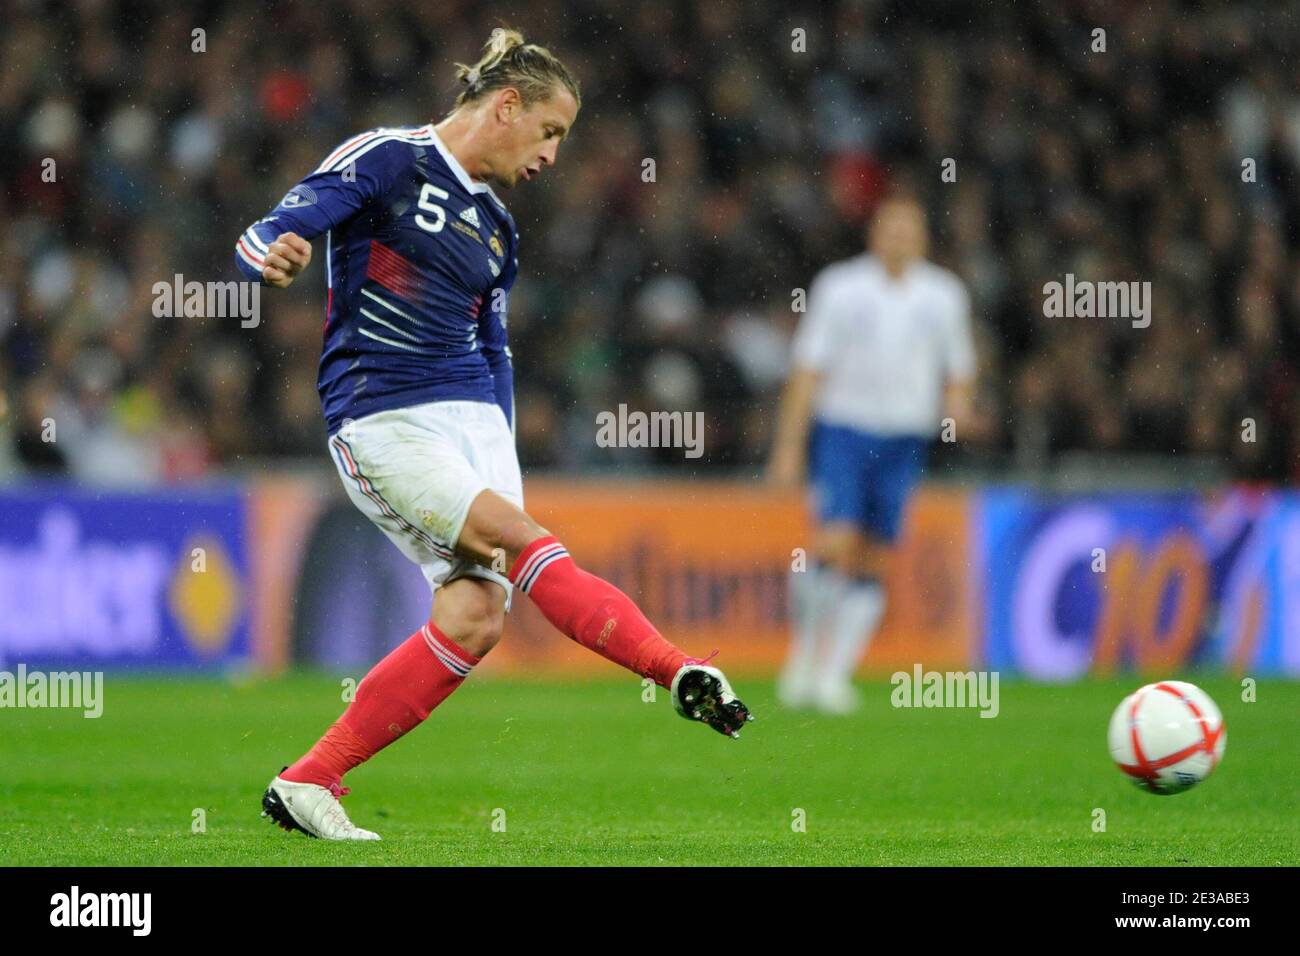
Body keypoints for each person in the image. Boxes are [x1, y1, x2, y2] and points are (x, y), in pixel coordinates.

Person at [234, 28, 751, 841]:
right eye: (551, 131)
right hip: (385, 415)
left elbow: (494, 349)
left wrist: (497, 445)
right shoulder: (388, 159)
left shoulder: (499, 229)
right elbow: (272, 225)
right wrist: (274, 254)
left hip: (475, 427)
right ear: (506, 106)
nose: (553, 154)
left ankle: (307, 783)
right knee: (524, 542)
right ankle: (674, 666)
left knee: (476, 615)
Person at [767, 195, 976, 714]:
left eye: (910, 229)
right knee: (834, 543)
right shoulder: (840, 287)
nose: (900, 238)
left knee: (875, 557)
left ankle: (835, 673)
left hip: (905, 436)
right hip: (843, 430)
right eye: (891, 228)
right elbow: (808, 368)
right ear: (874, 233)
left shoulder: (944, 295)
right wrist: (790, 447)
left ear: (923, 237)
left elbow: (959, 369)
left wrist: (957, 411)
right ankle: (803, 660)